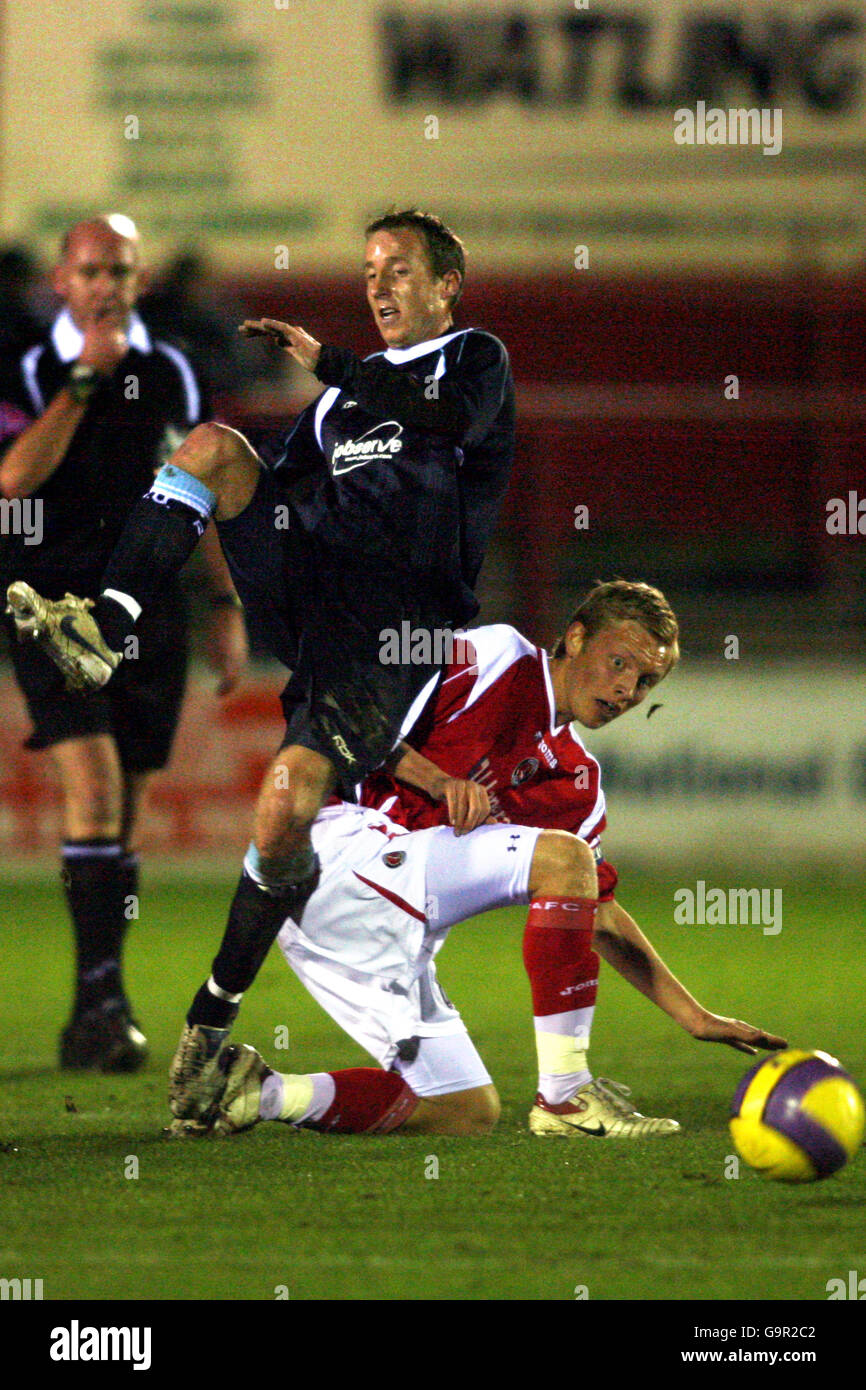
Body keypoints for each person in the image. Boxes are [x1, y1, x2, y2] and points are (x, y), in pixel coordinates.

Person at [6, 208, 515, 1114]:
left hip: (394, 632)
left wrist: (334, 365)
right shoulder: (337, 405)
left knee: (283, 814)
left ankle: (207, 1028)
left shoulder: (473, 364)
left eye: (400, 270)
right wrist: (233, 581)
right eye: (370, 269)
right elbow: (275, 488)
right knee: (213, 451)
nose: (379, 284)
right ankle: (105, 632)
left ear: (447, 287)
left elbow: (440, 418)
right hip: (319, 592)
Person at [192, 580, 786, 1140]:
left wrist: (693, 1016)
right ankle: (566, 1096)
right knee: (564, 858)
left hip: (371, 927)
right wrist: (436, 778)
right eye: (620, 662)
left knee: (464, 1110)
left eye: (648, 680)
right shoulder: (496, 656)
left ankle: (253, 1094)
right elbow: (351, 716)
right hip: (336, 854)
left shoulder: (578, 783)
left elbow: (595, 912)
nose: (628, 689)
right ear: (575, 638)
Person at [0, 215, 248, 1071]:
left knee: (128, 810)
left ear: (139, 281)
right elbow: (13, 478)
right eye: (91, 270)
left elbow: (197, 483)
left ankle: (92, 1004)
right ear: (62, 281)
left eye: (122, 271)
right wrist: (82, 384)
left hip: (148, 609)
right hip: (48, 605)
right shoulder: (26, 362)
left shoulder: (172, 368)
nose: (106, 285)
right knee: (96, 786)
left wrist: (222, 601)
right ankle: (104, 1004)